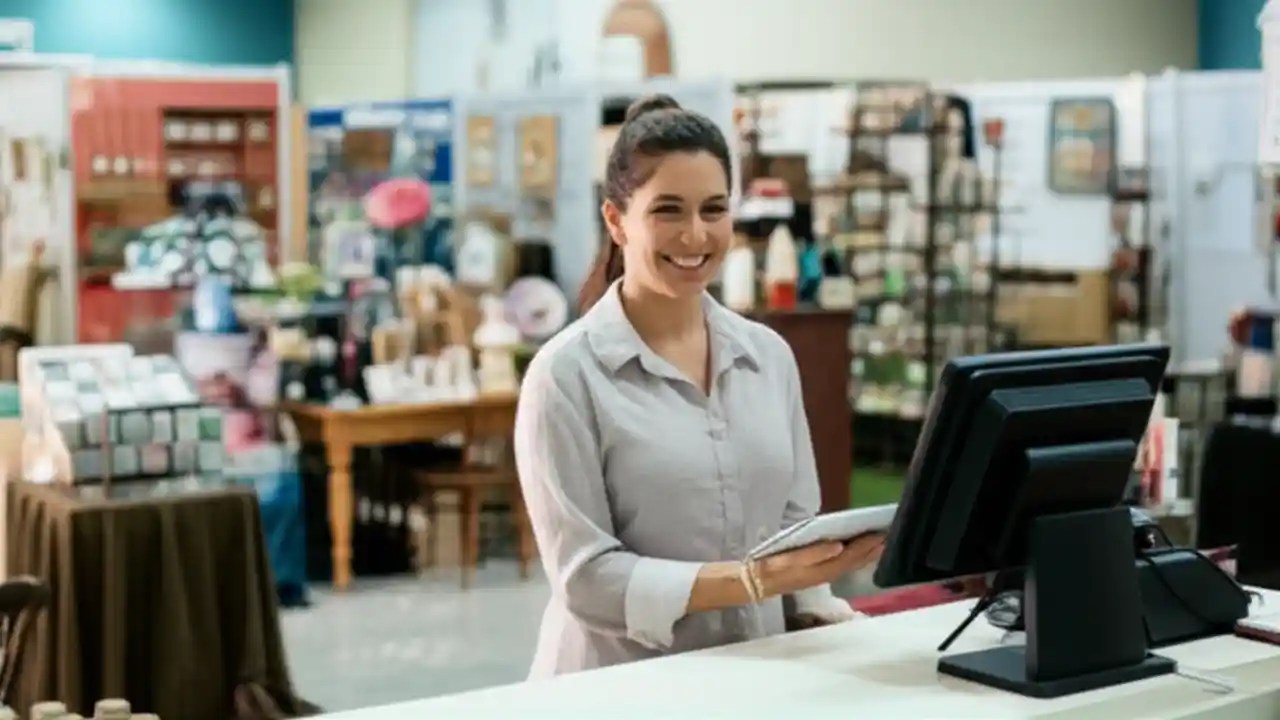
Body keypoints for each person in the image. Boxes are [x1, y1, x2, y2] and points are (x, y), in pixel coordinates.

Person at [514, 94, 884, 678]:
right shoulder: (566, 376)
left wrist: (825, 611)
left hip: (753, 680)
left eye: (714, 209)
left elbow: (795, 528)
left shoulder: (768, 357)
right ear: (616, 220)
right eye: (668, 210)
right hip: (614, 693)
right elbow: (586, 580)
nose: (696, 235)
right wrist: (748, 582)